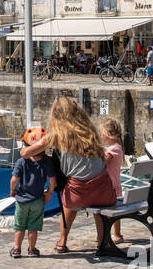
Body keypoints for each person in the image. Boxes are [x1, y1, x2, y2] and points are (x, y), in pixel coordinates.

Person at [20, 96, 119, 256]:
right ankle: (102, 242)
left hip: (77, 196)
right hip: (105, 193)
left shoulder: (57, 136)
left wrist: (42, 155)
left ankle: (62, 241)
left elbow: (25, 153)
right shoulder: (90, 131)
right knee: (98, 206)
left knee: (69, 200)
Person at [10, 127, 55, 258]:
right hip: (38, 200)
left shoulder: (21, 161)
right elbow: (53, 179)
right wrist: (49, 192)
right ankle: (32, 249)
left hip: (22, 200)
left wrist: (13, 189)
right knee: (33, 227)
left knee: (19, 226)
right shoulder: (47, 162)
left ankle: (17, 249)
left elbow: (14, 179)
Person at [99, 118, 127, 246]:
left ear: (108, 135)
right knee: (112, 212)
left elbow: (103, 161)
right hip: (115, 184)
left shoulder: (114, 149)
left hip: (111, 185)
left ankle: (116, 234)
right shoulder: (117, 147)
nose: (101, 136)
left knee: (111, 213)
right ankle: (113, 233)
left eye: (102, 133)